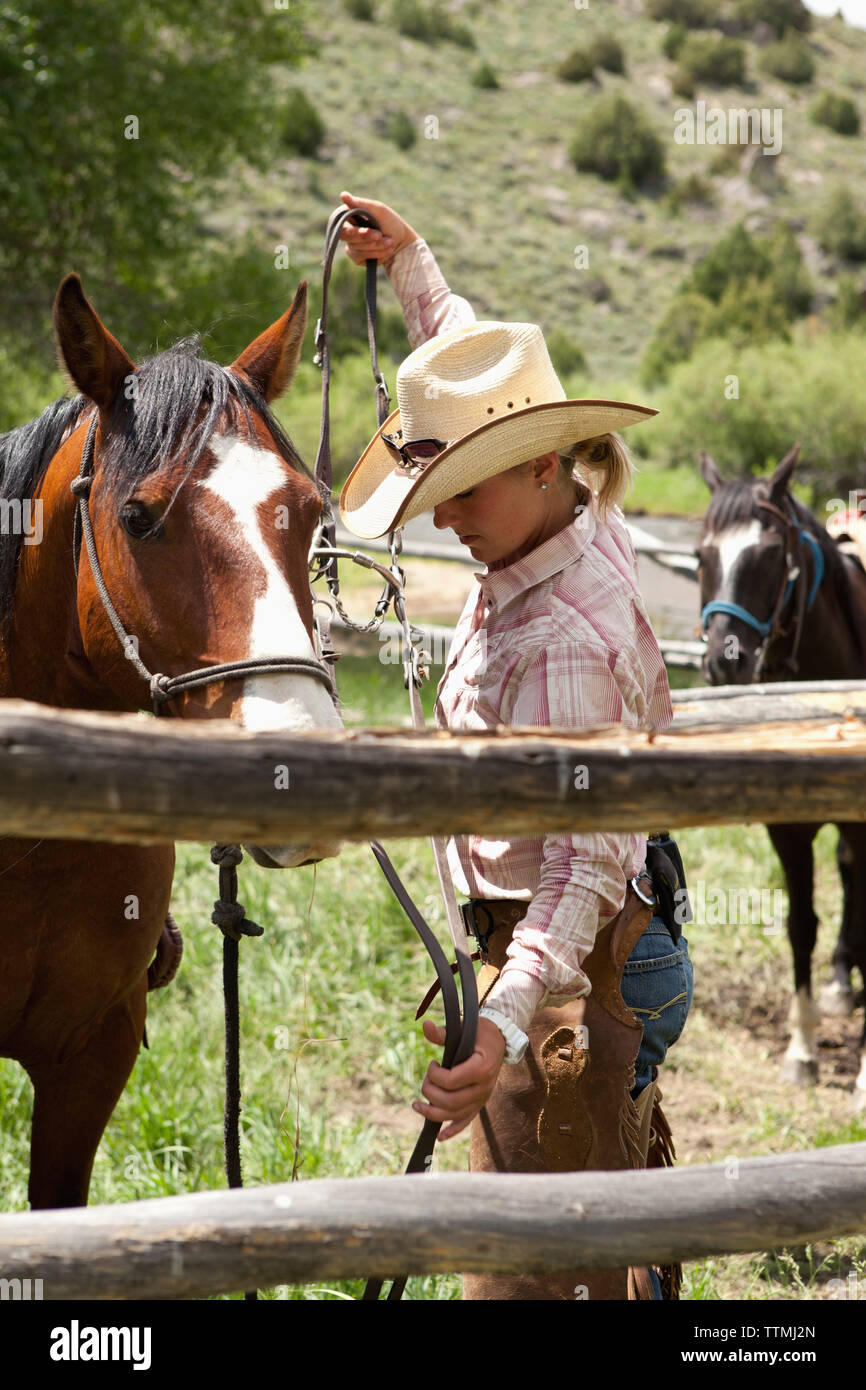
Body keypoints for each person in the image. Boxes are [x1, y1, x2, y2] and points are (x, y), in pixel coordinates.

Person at [337, 192, 694, 1300]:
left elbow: (581, 863)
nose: (442, 514)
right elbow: (479, 368)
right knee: (581, 1225)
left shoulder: (558, 638)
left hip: (569, 962)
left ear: (539, 466)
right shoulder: (573, 514)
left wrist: (499, 1017)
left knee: (530, 1269)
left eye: (461, 489)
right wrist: (414, 268)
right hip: (593, 944)